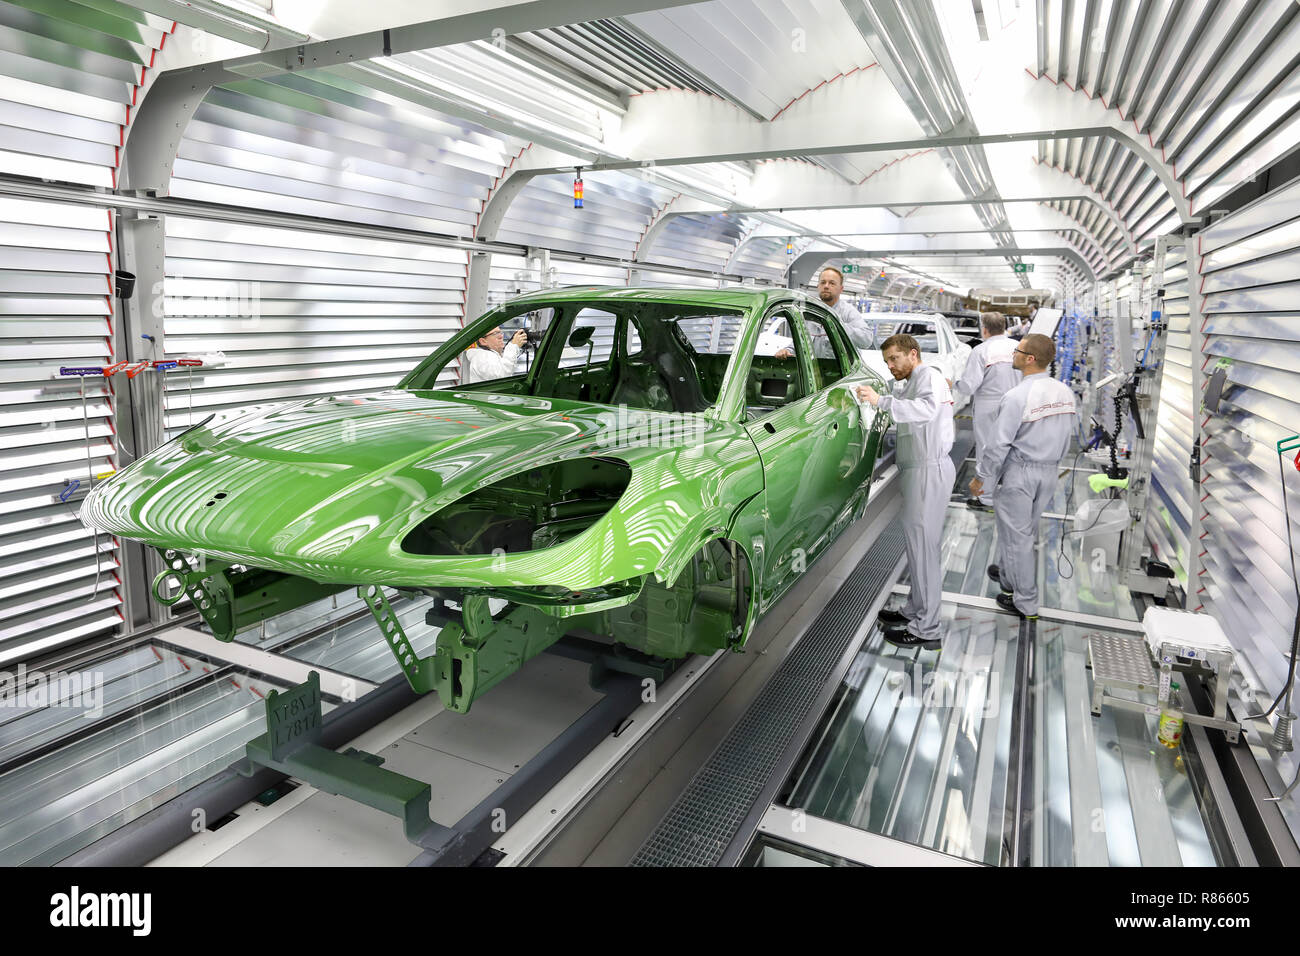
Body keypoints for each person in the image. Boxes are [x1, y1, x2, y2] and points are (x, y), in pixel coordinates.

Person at [969, 333, 1077, 620]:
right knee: (1021, 529)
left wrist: (982, 477)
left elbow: (998, 444)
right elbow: (1069, 435)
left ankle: (1025, 602)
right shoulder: (1064, 392)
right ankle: (1007, 576)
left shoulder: (1017, 396)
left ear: (1029, 359)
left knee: (1019, 538)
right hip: (1049, 471)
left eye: (1017, 350)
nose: (1012, 355)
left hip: (1021, 472)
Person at [856, 333, 955, 649]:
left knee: (924, 551)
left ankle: (928, 629)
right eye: (886, 361)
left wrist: (880, 401)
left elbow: (924, 411)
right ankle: (915, 610)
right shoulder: (917, 379)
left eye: (894, 358)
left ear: (913, 354)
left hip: (929, 470)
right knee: (918, 548)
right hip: (921, 470)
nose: (891, 365)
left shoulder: (929, 377)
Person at [954, 312, 1019, 511]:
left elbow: (968, 386)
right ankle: (1011, 493)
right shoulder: (1018, 347)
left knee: (988, 450)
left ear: (984, 329)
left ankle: (986, 498)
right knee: (1011, 448)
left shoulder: (982, 350)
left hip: (989, 405)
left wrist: (954, 383)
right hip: (1016, 403)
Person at [776, 267, 875, 359]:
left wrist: (838, 326)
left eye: (832, 283)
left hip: (845, 374)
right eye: (823, 282)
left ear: (841, 289)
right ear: (818, 286)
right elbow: (801, 342)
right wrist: (787, 350)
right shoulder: (809, 313)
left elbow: (866, 340)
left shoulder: (848, 312)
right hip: (819, 372)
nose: (826, 286)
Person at [462, 326, 526, 384]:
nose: (501, 336)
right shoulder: (481, 357)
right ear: (483, 341)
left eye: (500, 332)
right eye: (495, 333)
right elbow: (502, 375)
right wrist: (513, 346)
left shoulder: (494, 355)